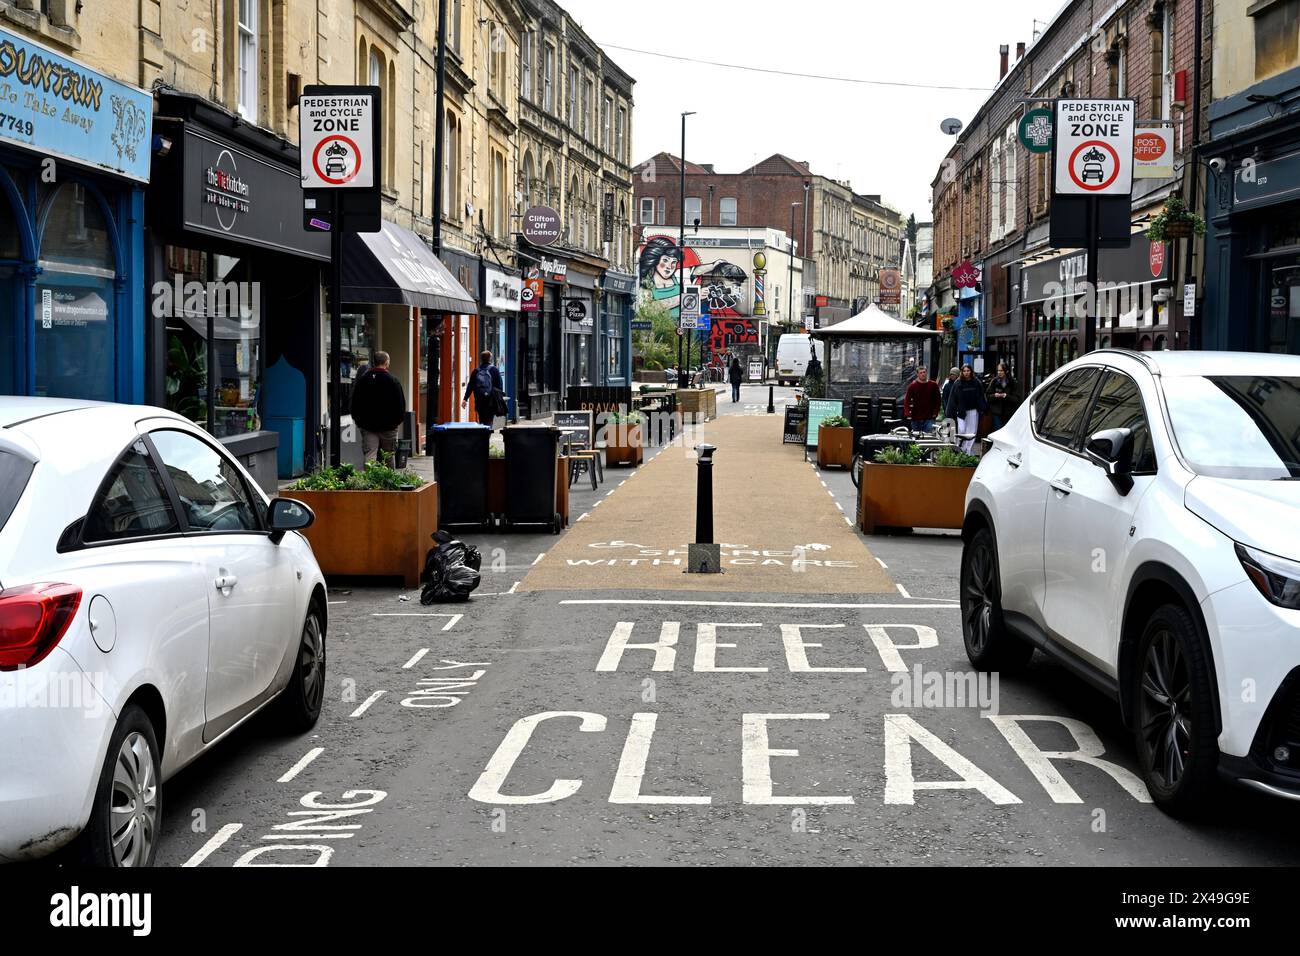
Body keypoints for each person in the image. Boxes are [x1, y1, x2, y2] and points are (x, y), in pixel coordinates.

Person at [350, 350, 406, 462]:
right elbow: (400, 405)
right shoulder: (393, 381)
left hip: (368, 426)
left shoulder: (363, 380)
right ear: (386, 362)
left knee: (370, 455)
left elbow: (354, 402)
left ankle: (370, 479)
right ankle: (388, 479)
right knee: (389, 456)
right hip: (389, 427)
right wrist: (395, 423)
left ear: (374, 362)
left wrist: (360, 422)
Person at [945, 364, 987, 453]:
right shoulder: (958, 383)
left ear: (971, 372)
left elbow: (980, 396)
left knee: (972, 432)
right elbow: (953, 398)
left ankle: (968, 450)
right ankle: (960, 448)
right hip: (961, 411)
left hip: (973, 410)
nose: (966, 373)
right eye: (964, 371)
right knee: (961, 430)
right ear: (962, 372)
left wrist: (983, 408)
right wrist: (949, 411)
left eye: (968, 371)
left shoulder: (976, 382)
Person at [462, 351, 505, 428]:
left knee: (482, 420)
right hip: (491, 400)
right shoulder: (494, 370)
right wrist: (500, 398)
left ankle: (483, 435)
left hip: (479, 400)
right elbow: (499, 386)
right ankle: (486, 436)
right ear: (490, 359)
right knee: (489, 420)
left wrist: (465, 399)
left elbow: (470, 386)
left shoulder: (476, 371)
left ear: (481, 359)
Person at [903, 365, 941, 434]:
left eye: (924, 372)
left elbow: (938, 400)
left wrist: (935, 412)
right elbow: (907, 400)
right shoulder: (913, 386)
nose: (923, 374)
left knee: (928, 438)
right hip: (916, 418)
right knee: (916, 439)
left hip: (929, 417)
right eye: (921, 373)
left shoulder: (933, 385)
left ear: (926, 373)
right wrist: (907, 412)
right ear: (917, 374)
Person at [985, 361, 1018, 431]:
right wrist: (994, 396)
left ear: (1006, 371)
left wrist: (1006, 396)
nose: (999, 372)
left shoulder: (1012, 382)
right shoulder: (994, 381)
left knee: (1007, 432)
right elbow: (987, 396)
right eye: (998, 370)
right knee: (998, 430)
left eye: (1001, 371)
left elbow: (1016, 399)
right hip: (996, 412)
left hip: (1008, 413)